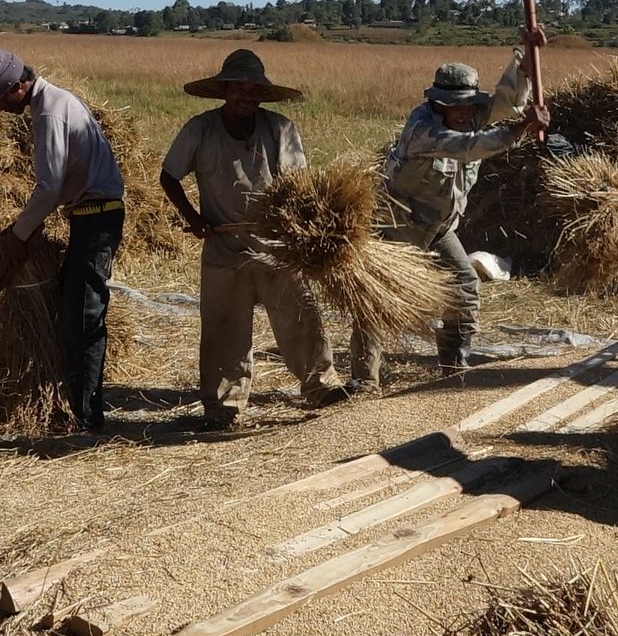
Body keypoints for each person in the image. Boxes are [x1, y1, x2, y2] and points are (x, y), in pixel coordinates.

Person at [349, 27, 550, 389]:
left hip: (439, 228)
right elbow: (471, 146)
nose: (461, 113)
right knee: (379, 298)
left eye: (466, 106)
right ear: (435, 102)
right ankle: (365, 379)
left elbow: (506, 101)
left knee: (465, 285)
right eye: (452, 106)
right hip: (398, 227)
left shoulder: (471, 113)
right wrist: (520, 129)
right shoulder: (422, 128)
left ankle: (454, 366)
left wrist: (526, 58)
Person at [160, 50, 344, 429]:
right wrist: (194, 219)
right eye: (239, 88)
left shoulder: (280, 129)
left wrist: (299, 229)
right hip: (224, 248)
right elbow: (169, 176)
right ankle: (224, 407)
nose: (247, 95)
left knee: (299, 318)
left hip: (275, 245)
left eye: (254, 89)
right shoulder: (200, 130)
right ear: (225, 90)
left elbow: (297, 186)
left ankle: (320, 386)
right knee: (224, 329)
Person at [0, 49, 125, 435]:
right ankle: (80, 406)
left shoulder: (50, 112)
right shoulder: (52, 103)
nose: (0, 109)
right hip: (88, 214)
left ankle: (88, 417)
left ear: (17, 86)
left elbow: (49, 187)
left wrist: (18, 235)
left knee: (84, 316)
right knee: (72, 310)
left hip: (96, 216)